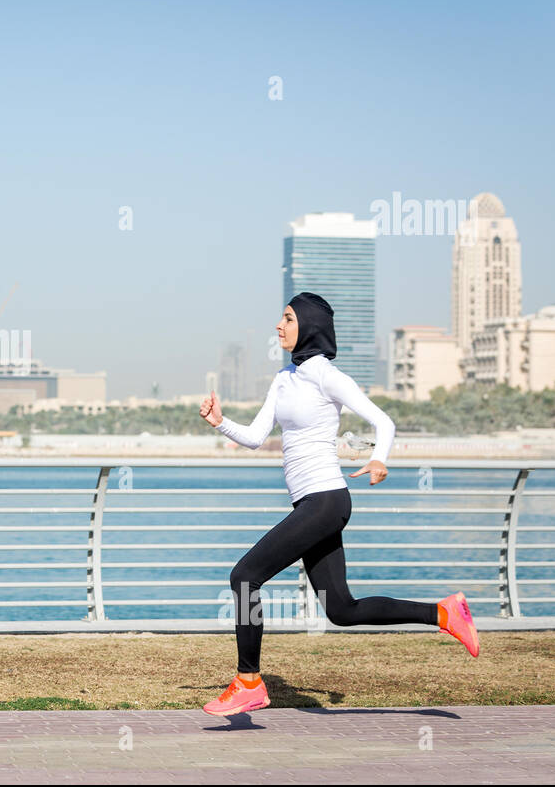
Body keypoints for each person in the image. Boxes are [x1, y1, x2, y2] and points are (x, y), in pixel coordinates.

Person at [198, 292, 479, 717]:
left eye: (288, 319)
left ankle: (249, 682)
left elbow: (383, 420)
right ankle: (444, 613)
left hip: (326, 500)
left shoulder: (326, 376)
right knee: (342, 610)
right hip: (310, 504)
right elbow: (256, 436)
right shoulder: (284, 378)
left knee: (245, 576)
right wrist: (220, 423)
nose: (279, 326)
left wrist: (379, 457)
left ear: (308, 325)